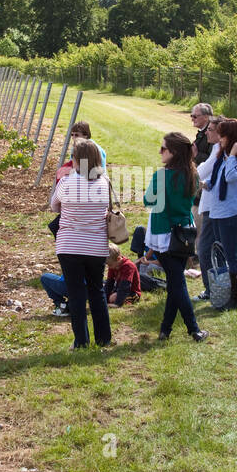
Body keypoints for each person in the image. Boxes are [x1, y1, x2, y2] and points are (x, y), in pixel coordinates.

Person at [143, 132, 208, 342]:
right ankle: (165, 330)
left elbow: (148, 200)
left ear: (174, 152)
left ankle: (193, 329)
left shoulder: (162, 176)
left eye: (164, 149)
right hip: (184, 233)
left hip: (164, 235)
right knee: (175, 283)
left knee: (177, 284)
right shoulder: (192, 174)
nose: (160, 152)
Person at [49, 138, 113, 349]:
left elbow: (54, 207)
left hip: (69, 246)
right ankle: (103, 338)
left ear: (76, 160)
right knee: (97, 291)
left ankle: (81, 341)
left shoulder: (66, 183)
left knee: (76, 293)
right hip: (96, 246)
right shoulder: (105, 183)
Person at [208, 119, 237, 310]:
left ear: (232, 136)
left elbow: (230, 177)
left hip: (231, 212)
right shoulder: (223, 155)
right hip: (218, 210)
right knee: (220, 252)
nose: (219, 138)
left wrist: (233, 155)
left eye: (222, 135)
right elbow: (217, 180)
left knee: (231, 255)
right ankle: (224, 291)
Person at [193, 116, 224, 301]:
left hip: (214, 208)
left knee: (205, 248)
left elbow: (203, 170)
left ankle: (214, 290)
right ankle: (217, 288)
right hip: (211, 205)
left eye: (211, 130)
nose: (207, 132)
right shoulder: (217, 149)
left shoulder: (219, 150)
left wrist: (185, 171)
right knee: (212, 248)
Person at [104, 243, 142, 307]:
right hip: (118, 289)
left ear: (118, 259)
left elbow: (125, 286)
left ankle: (117, 302)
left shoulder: (128, 266)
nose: (109, 267)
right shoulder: (113, 265)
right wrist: (104, 299)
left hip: (132, 293)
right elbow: (109, 283)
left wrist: (117, 304)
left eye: (110, 265)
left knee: (113, 298)